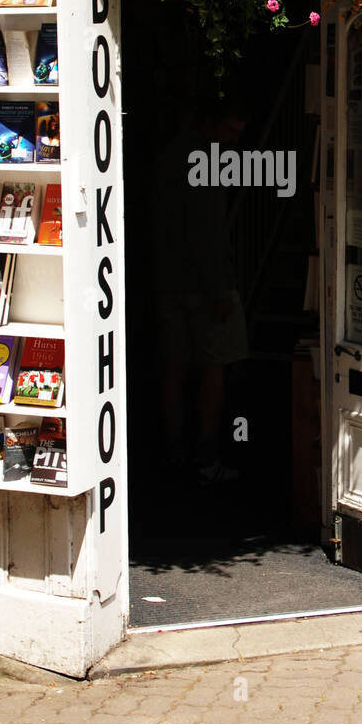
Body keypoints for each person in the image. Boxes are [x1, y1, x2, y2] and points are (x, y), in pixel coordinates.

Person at [150, 92, 249, 485]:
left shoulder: (168, 156)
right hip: (202, 287)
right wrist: (219, 290)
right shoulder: (205, 162)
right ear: (210, 124)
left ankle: (175, 454)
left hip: (167, 282)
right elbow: (205, 235)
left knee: (173, 370)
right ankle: (206, 458)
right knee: (215, 369)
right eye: (229, 129)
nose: (234, 140)